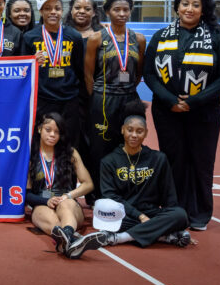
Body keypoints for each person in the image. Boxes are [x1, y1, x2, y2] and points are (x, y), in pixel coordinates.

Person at [143, 0, 220, 231]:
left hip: (204, 113)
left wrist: (194, 101)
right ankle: (175, 210)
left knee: (201, 162)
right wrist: (170, 100)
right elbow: (149, 73)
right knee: (174, 161)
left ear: (203, 9)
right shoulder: (161, 36)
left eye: (196, 4)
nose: (190, 9)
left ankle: (200, 214)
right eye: (185, 3)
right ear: (176, 7)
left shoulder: (216, 36)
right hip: (167, 112)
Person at [66, 104, 192, 258]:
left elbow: (169, 196)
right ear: (122, 130)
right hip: (125, 215)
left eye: (139, 131)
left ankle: (116, 238)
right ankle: (162, 236)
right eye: (130, 130)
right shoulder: (109, 161)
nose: (134, 135)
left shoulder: (159, 159)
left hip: (151, 213)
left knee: (180, 215)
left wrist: (172, 222)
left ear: (145, 134)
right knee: (103, 217)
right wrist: (141, 216)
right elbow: (111, 196)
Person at [84, 0, 145, 202]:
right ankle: (97, 194)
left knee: (129, 143)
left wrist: (127, 90)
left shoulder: (138, 39)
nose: (121, 14)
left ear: (130, 11)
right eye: (117, 10)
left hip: (129, 98)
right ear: (107, 11)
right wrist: (99, 96)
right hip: (103, 98)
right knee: (100, 148)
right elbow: (88, 74)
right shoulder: (97, 38)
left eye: (125, 10)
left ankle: (123, 191)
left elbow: (138, 73)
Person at [23, 112, 94, 256]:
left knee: (65, 205)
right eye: (48, 130)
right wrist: (46, 201)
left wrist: (68, 195)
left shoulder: (71, 153)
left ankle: (66, 237)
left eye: (57, 132)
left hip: (68, 202)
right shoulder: (30, 155)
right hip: (42, 203)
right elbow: (26, 194)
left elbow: (88, 184)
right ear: (39, 129)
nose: (52, 135)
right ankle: (70, 243)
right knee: (49, 217)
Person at [24, 0, 85, 146]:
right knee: (43, 141)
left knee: (70, 142)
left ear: (62, 11)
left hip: (69, 99)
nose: (53, 12)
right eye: (47, 8)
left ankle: (68, 171)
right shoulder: (30, 37)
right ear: (40, 11)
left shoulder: (74, 36)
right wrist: (32, 61)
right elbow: (24, 72)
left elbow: (79, 69)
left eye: (57, 8)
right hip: (43, 99)